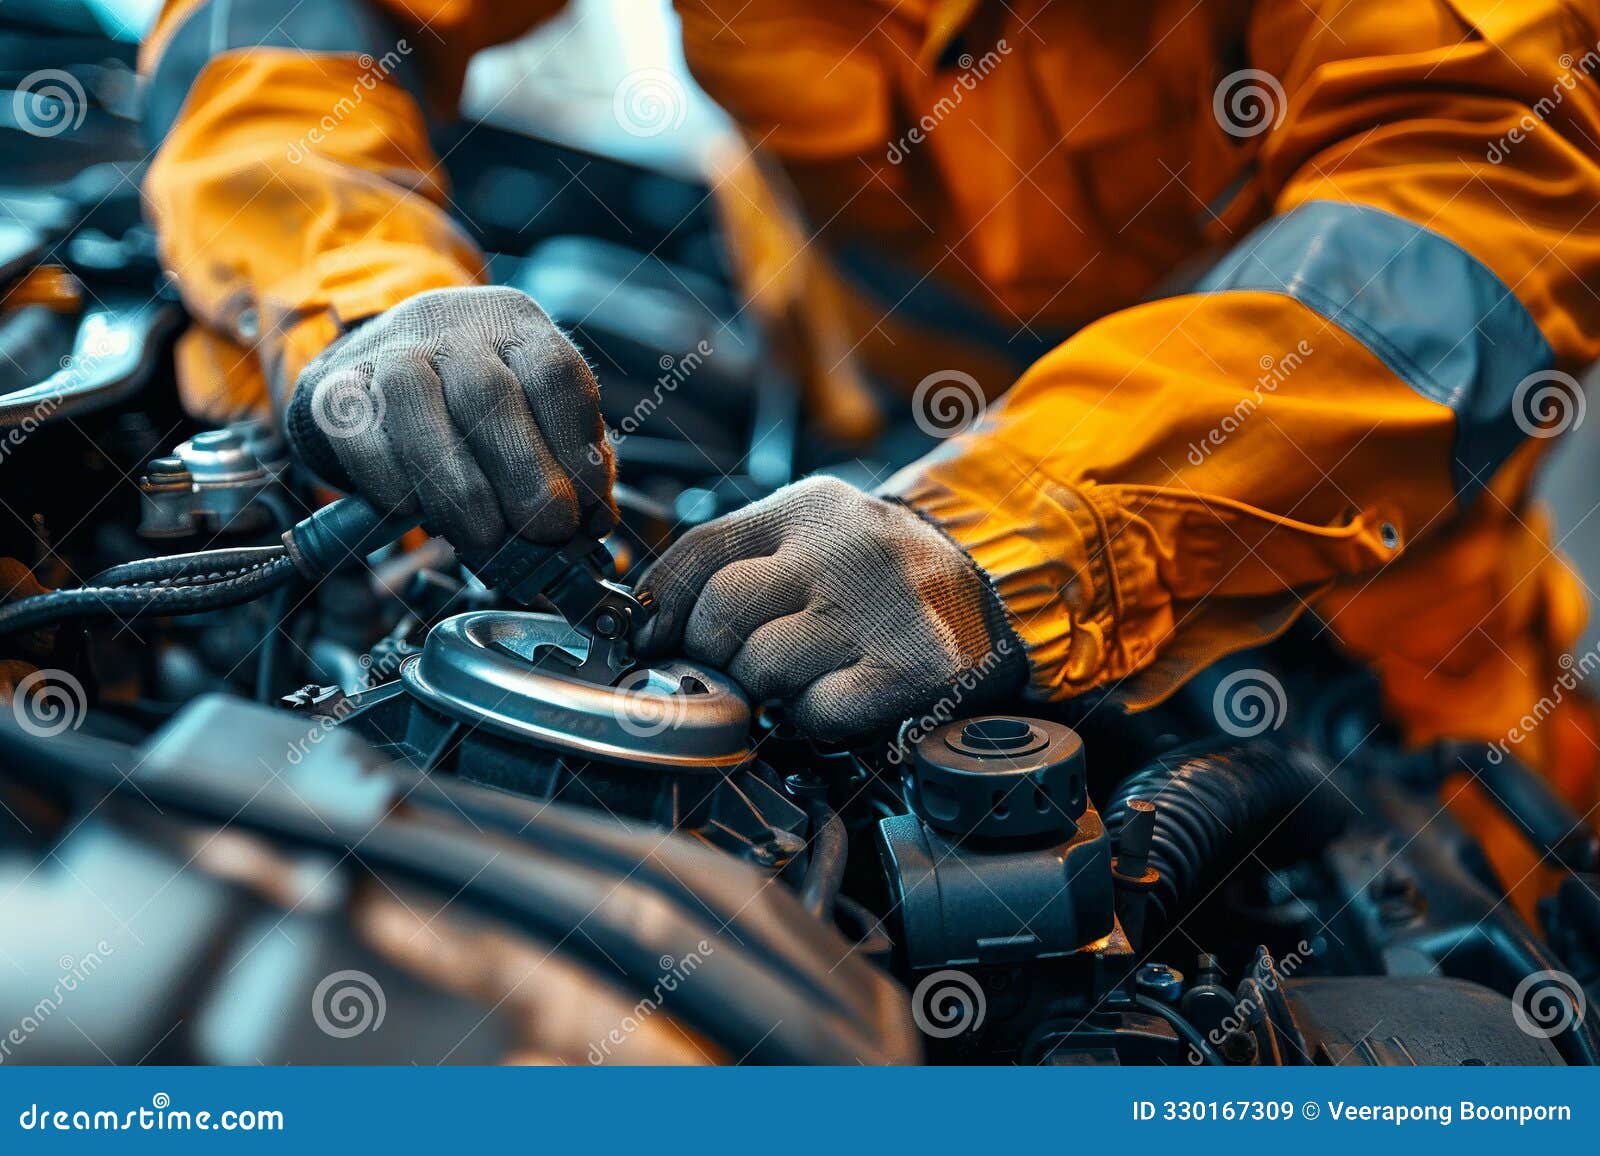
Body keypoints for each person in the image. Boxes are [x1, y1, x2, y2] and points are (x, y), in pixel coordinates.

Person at [140, 0, 1600, 803]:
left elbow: (1461, 236)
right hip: (832, 425)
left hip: (1348, 594)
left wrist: (1008, 538)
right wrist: (361, 292)